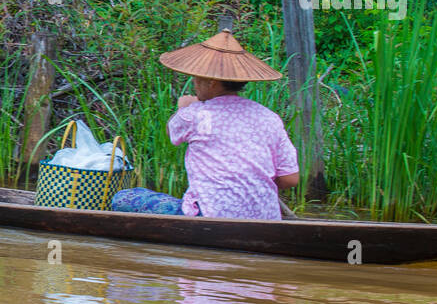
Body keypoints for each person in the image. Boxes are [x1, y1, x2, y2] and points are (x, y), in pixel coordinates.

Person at [111, 28, 300, 220]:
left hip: (211, 216)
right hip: (265, 218)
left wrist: (183, 108)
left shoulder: (196, 114)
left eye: (196, 77)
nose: (193, 82)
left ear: (211, 82)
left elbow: (172, 132)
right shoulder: (269, 117)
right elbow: (290, 178)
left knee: (124, 197)